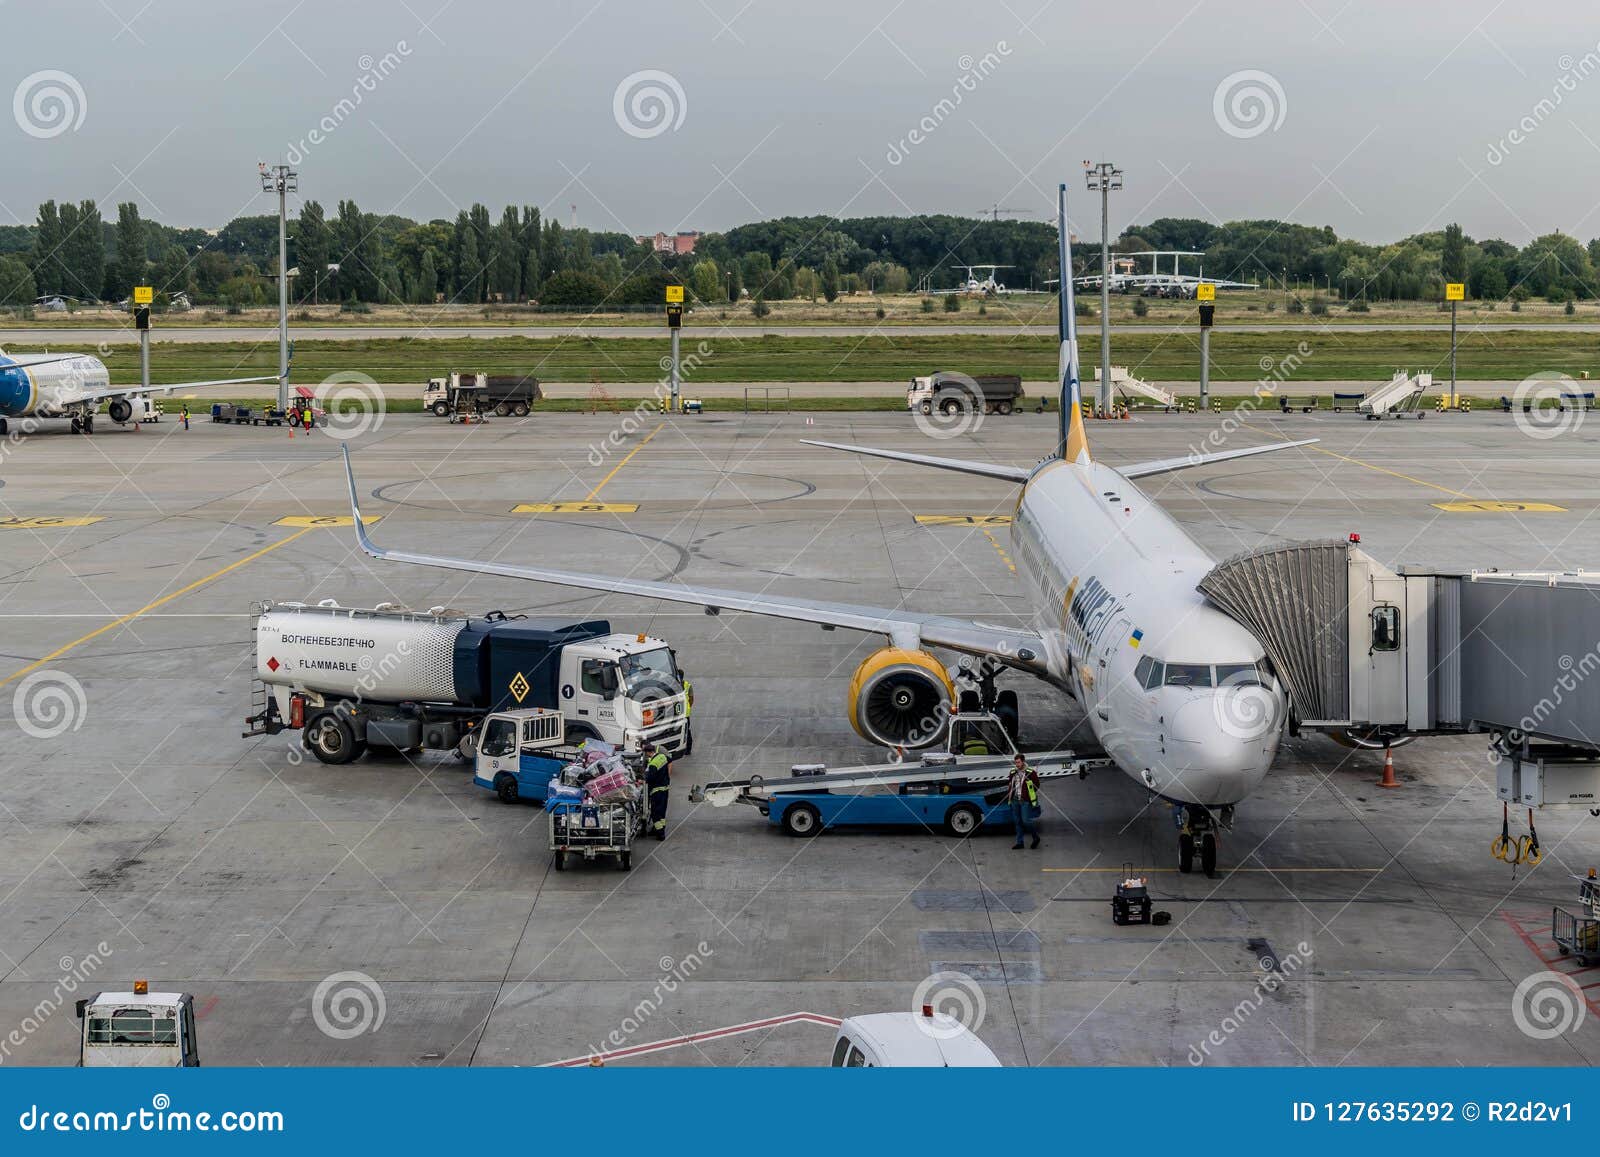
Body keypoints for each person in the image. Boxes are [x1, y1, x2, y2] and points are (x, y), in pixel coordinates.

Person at [1006, 753, 1041, 850]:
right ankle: (1020, 842)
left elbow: (1037, 785)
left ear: (1023, 762)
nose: (1017, 764)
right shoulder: (1013, 772)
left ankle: (1035, 837)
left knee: (1026, 821)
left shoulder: (1030, 772)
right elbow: (1010, 784)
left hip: (1024, 801)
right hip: (1015, 800)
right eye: (1015, 762)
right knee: (1017, 822)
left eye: (1018, 762)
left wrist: (1028, 794)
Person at [643, 741, 671, 840]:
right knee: (662, 812)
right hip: (665, 789)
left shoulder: (653, 764)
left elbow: (650, 778)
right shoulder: (662, 757)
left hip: (657, 791)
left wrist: (642, 779)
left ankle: (660, 834)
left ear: (648, 753)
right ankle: (660, 829)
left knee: (655, 813)